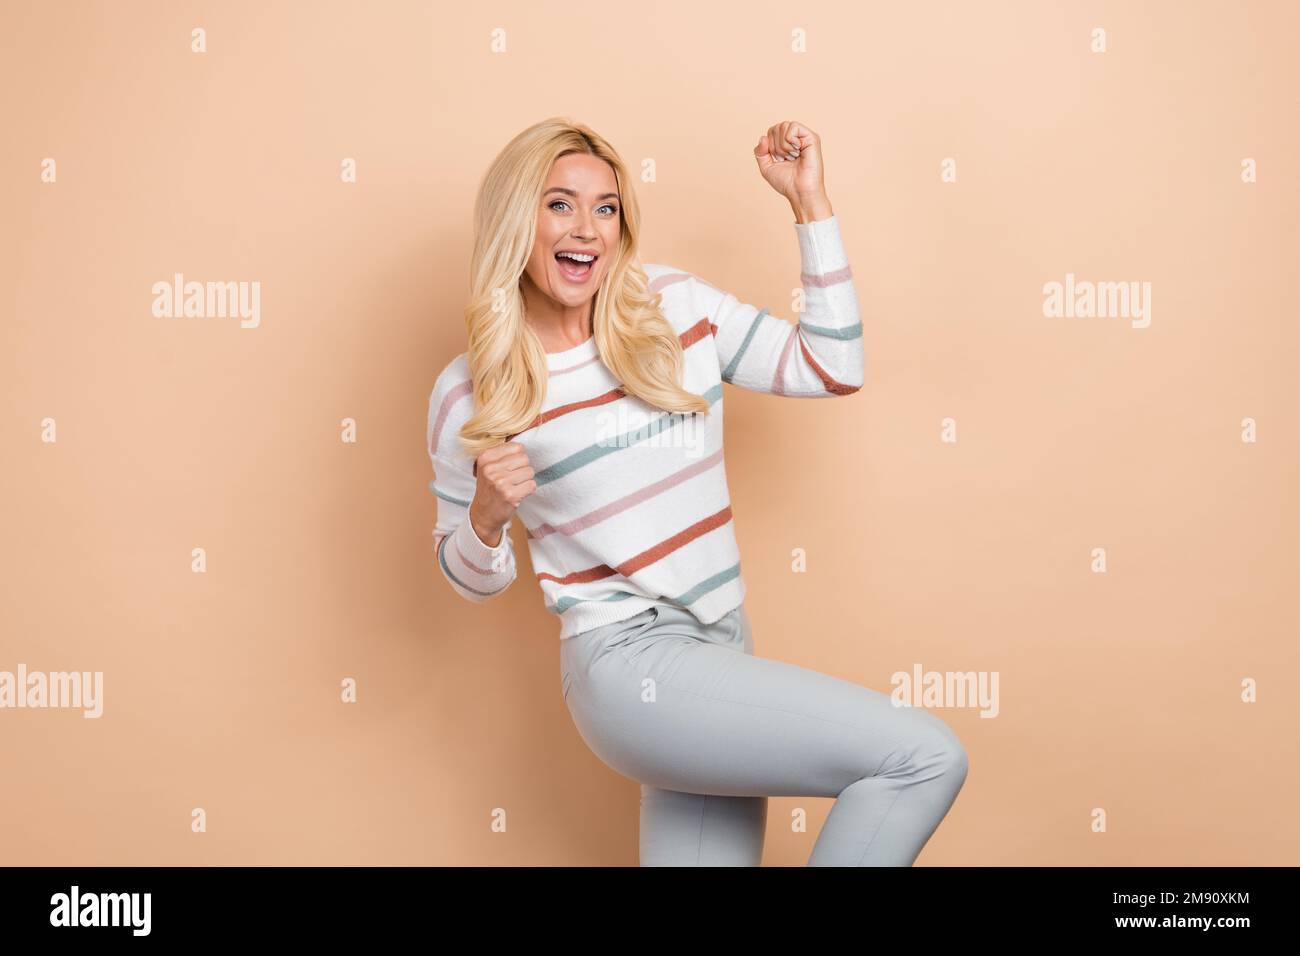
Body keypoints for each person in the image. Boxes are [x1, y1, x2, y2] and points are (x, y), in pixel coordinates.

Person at [427, 117, 968, 865]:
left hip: (722, 643)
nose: (585, 228)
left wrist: (808, 203)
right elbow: (467, 578)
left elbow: (832, 366)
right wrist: (485, 520)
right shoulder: (471, 388)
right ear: (516, 219)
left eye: (605, 208)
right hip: (629, 664)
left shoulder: (674, 307)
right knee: (921, 757)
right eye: (559, 204)